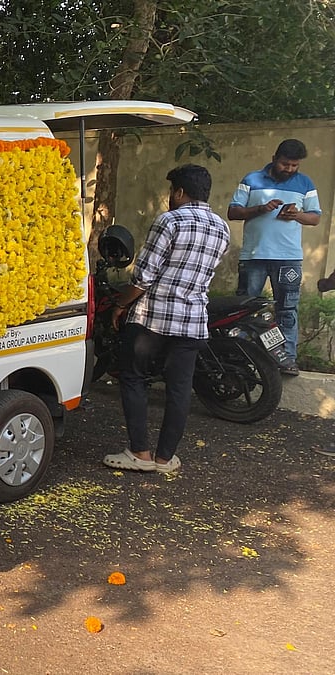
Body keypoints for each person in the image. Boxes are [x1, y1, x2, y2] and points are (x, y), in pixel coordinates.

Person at [103, 164, 230, 474]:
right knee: (179, 388)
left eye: (171, 192)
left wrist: (120, 305)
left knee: (132, 376)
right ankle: (165, 459)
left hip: (153, 319)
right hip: (192, 320)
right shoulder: (222, 227)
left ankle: (139, 453)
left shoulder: (170, 220)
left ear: (179, 192)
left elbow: (144, 276)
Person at [227, 139, 322, 376]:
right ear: (274, 158)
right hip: (254, 257)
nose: (289, 169)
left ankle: (287, 359)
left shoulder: (305, 183)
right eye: (285, 164)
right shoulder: (251, 180)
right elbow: (233, 212)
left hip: (289, 258)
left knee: (287, 310)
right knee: (245, 308)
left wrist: (297, 215)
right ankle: (241, 357)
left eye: (294, 165)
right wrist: (261, 208)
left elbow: (315, 218)